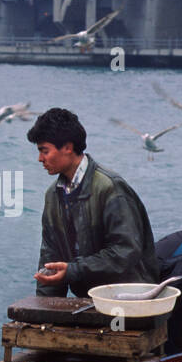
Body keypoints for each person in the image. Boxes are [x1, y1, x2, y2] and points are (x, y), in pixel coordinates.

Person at [28, 108, 158, 298]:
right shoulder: (52, 196)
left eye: (44, 151)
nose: (40, 159)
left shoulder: (110, 187)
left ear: (67, 147)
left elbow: (126, 251)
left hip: (130, 298)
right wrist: (41, 311)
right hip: (90, 300)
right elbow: (50, 259)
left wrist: (73, 270)